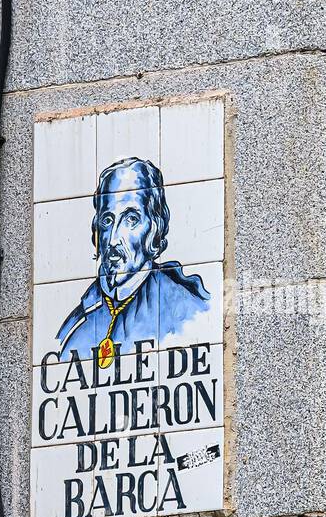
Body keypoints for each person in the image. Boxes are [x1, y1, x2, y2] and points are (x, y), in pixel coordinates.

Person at [54, 156, 210, 367]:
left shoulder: (185, 310)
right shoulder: (73, 325)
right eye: (107, 221)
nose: (114, 238)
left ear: (153, 226)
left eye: (131, 219)